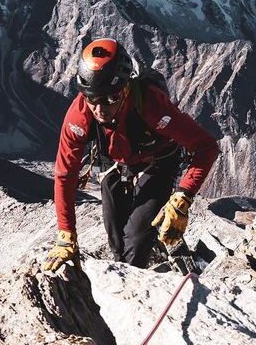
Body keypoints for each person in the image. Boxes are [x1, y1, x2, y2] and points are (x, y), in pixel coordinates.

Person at [44, 38, 220, 271]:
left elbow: (206, 147)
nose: (100, 109)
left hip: (159, 160)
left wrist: (182, 198)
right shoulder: (79, 116)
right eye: (93, 98)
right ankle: (129, 272)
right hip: (114, 162)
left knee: (136, 240)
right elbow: (65, 174)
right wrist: (65, 234)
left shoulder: (150, 104)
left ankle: (137, 273)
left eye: (110, 98)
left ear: (126, 88)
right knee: (116, 237)